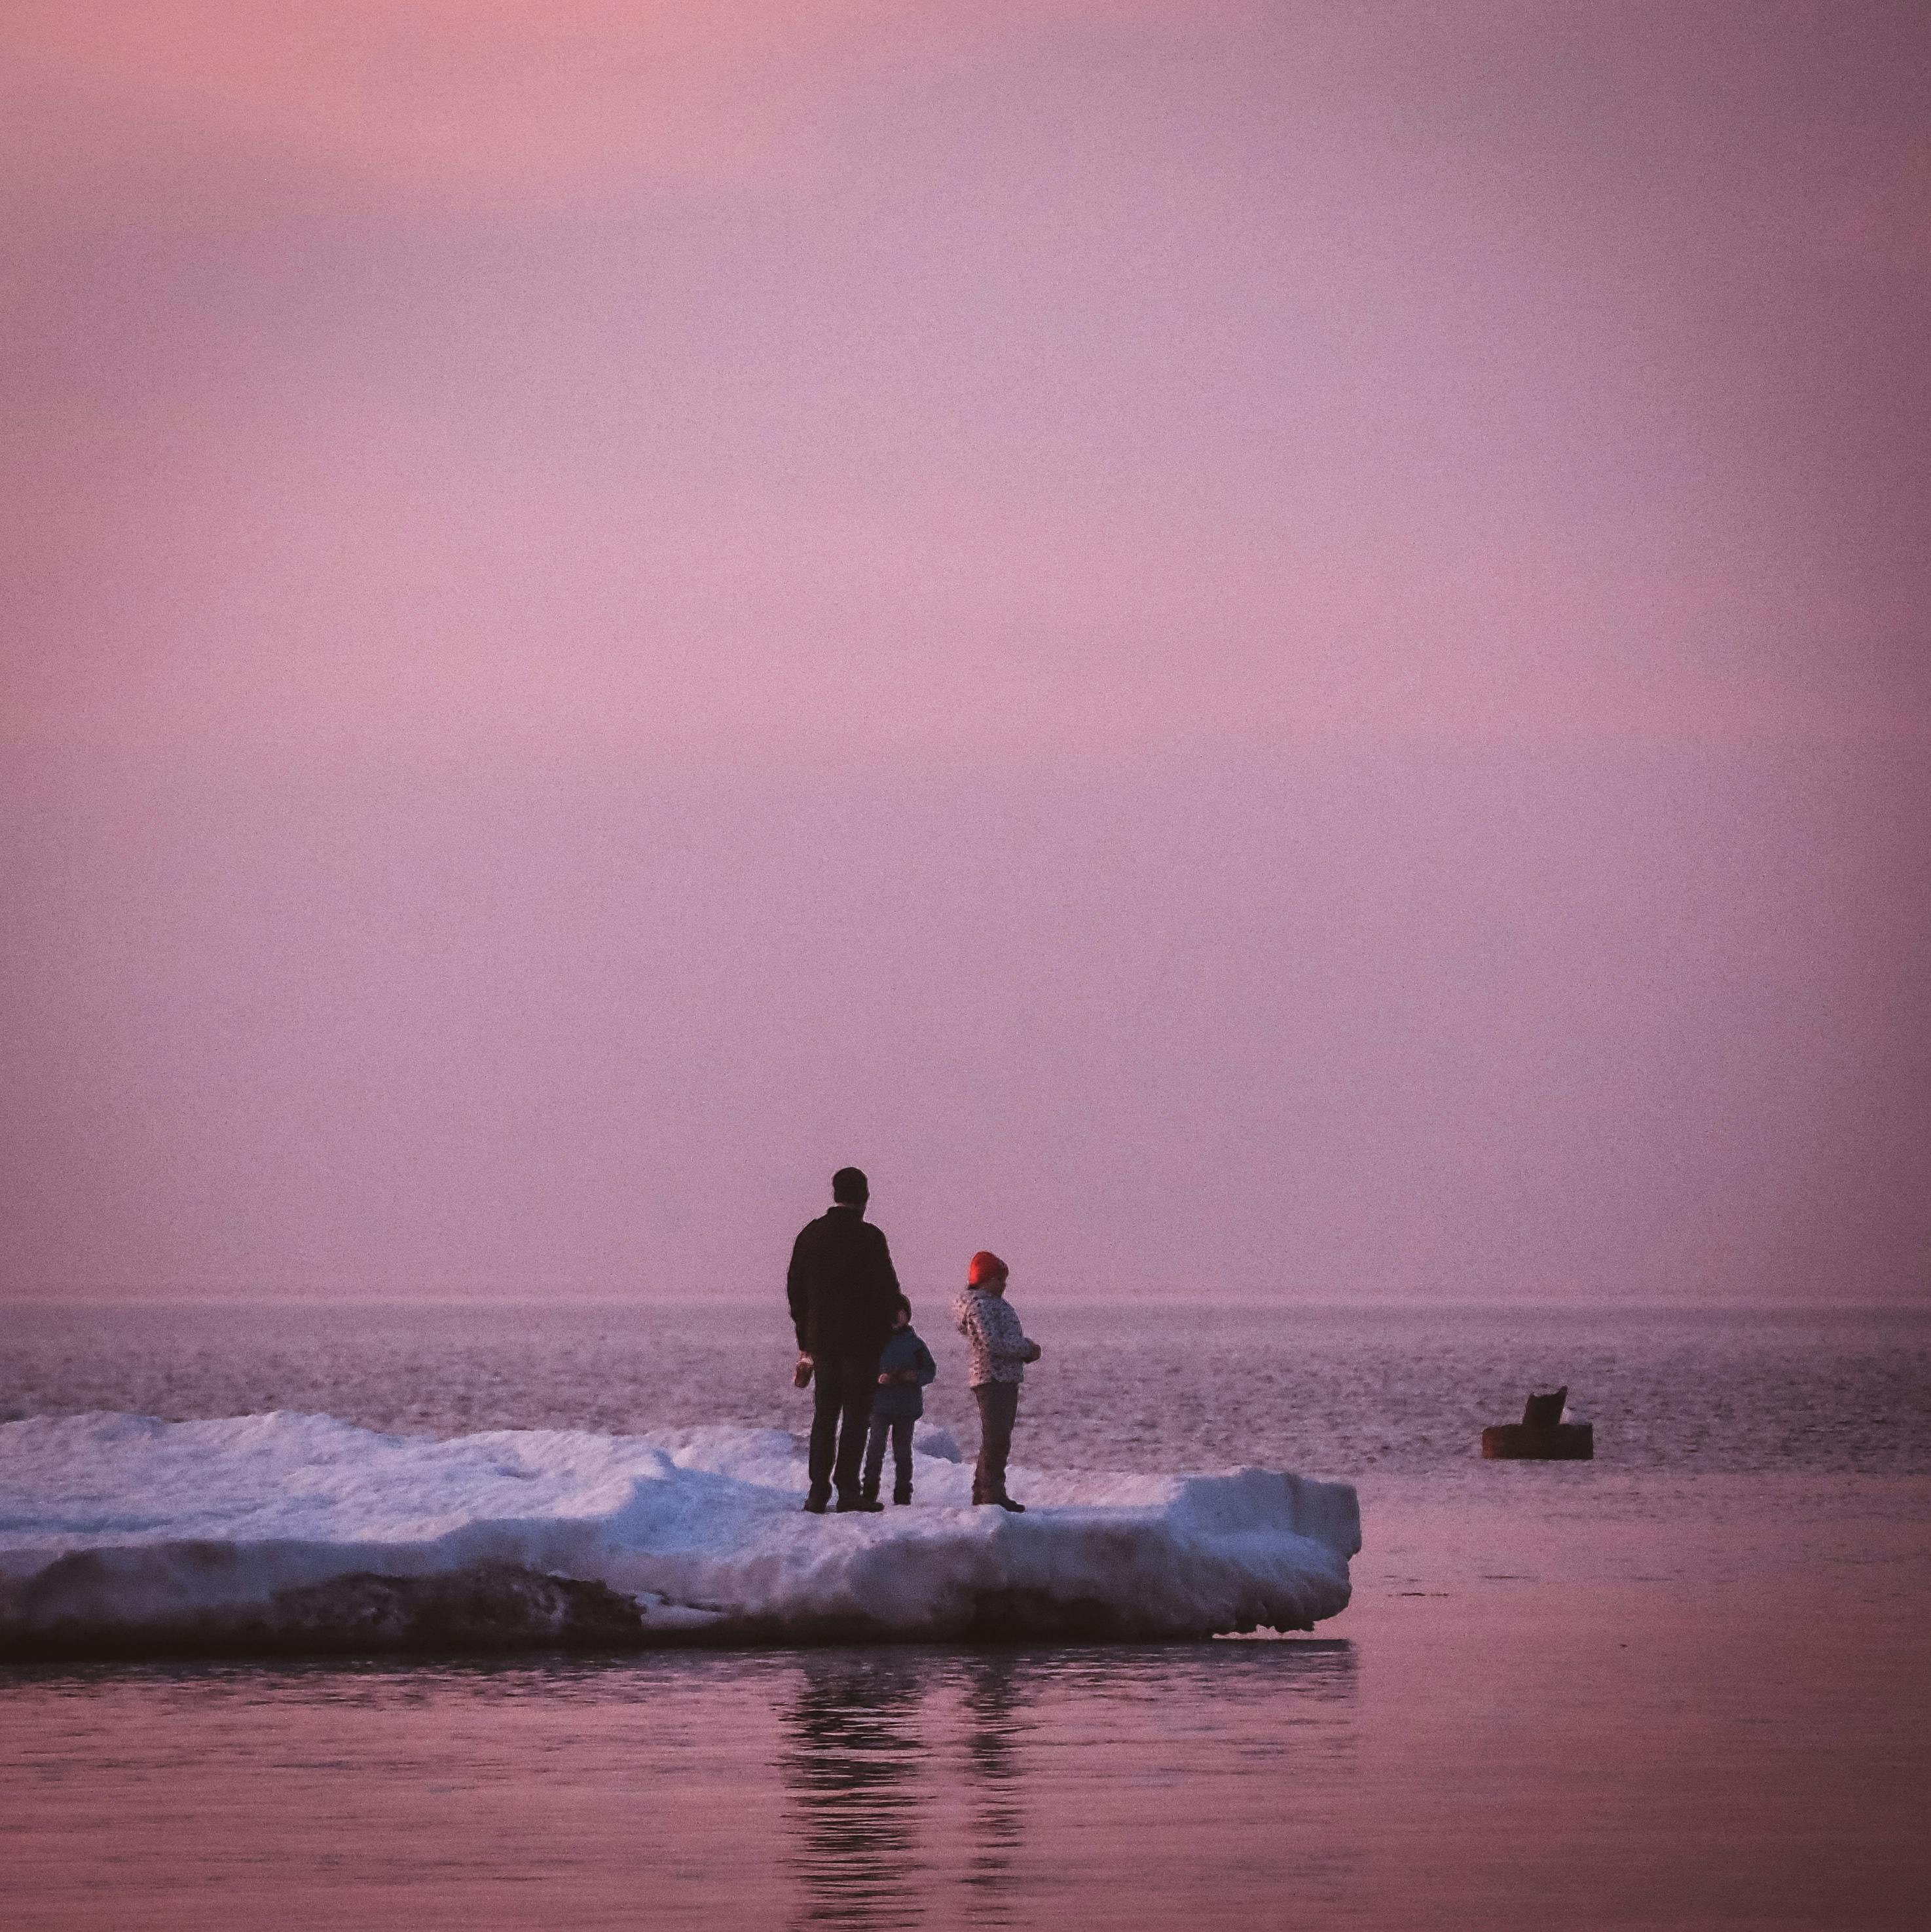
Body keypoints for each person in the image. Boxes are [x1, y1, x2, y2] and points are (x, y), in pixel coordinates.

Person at [787, 1166, 902, 1513]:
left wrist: (805, 1332)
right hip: (861, 1345)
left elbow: (795, 1289)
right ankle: (848, 1491)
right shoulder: (870, 1238)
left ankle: (817, 1492)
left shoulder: (811, 1235)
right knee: (855, 1417)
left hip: (822, 1343)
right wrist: (891, 1322)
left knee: (824, 1417)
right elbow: (886, 1291)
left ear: (835, 1194)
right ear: (865, 1197)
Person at [951, 1250, 1040, 1512]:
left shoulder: (990, 1304)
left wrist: (1023, 1354)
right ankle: (989, 1494)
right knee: (996, 1438)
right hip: (992, 1378)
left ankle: (988, 1492)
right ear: (985, 1279)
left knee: (999, 1437)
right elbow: (993, 1343)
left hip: (1003, 1376)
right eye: (999, 1279)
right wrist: (1026, 1349)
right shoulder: (980, 1305)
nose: (1004, 1284)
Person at [861, 1294, 938, 1506]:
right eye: (892, 1312)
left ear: (908, 1315)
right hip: (880, 1405)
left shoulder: (915, 1344)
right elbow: (862, 1370)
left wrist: (913, 1377)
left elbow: (930, 1370)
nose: (896, 1317)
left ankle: (903, 1494)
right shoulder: (874, 1342)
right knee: (875, 1449)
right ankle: (868, 1492)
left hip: (906, 1407)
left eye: (901, 1312)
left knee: (902, 1452)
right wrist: (878, 1379)